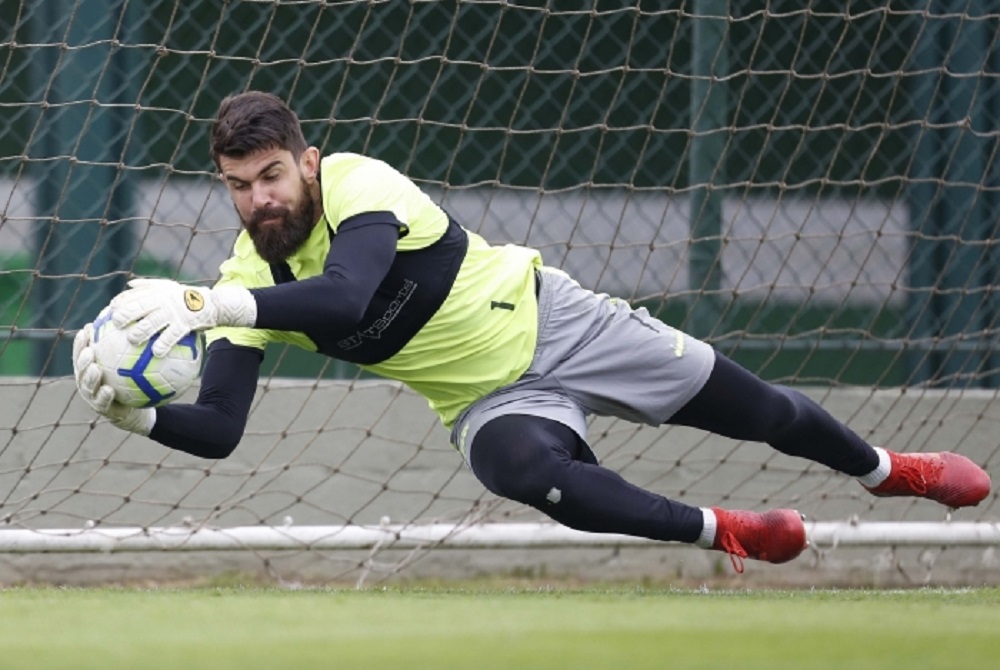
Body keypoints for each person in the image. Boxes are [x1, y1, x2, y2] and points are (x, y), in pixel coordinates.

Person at [72, 91, 991, 573]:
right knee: (524, 474)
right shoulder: (242, 279)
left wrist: (201, 307)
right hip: (486, 399)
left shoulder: (357, 183)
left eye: (271, 176)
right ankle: (729, 533)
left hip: (561, 325)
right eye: (237, 186)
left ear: (305, 162)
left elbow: (349, 298)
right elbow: (223, 429)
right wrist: (135, 416)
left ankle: (885, 470)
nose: (257, 199)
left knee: (758, 409)